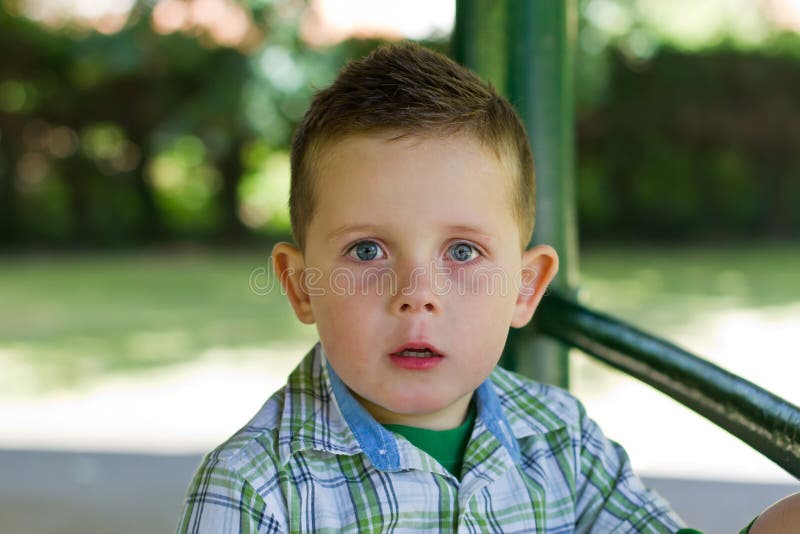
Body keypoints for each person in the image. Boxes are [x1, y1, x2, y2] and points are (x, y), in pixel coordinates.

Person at [176, 42, 781, 533]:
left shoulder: (560, 441)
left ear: (524, 287)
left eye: (462, 251)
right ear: (302, 285)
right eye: (367, 250)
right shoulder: (254, 487)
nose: (417, 293)